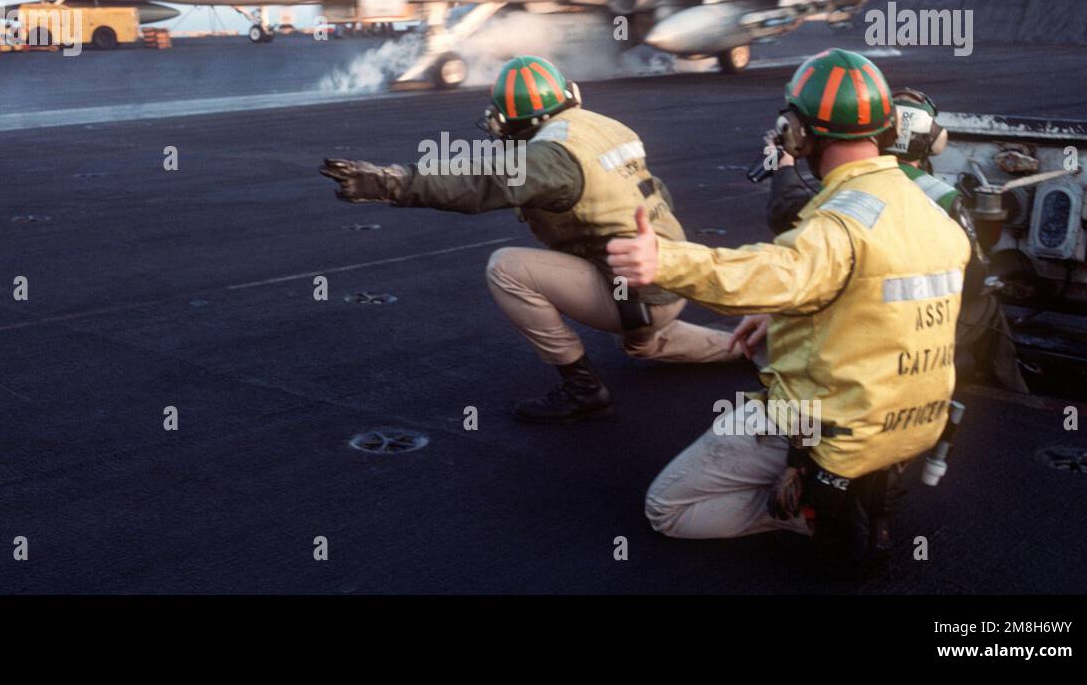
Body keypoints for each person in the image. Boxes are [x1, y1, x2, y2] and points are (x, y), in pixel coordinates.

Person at [607, 49, 971, 578]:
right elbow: (870, 301)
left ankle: (814, 512)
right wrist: (783, 319)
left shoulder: (839, 223)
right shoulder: (934, 210)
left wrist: (660, 260)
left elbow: (770, 271)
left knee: (668, 508)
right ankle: (861, 487)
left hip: (828, 426)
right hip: (914, 421)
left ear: (796, 133)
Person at [320, 55, 742, 423]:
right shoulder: (604, 126)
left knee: (507, 268)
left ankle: (583, 390)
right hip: (672, 271)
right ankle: (744, 345)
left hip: (637, 290)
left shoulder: (549, 157)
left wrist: (392, 183)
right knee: (642, 345)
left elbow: (479, 183)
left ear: (514, 121)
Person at [762, 87, 1026, 393]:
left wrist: (781, 166)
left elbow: (785, 212)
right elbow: (973, 278)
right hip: (913, 328)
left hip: (850, 326)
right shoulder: (944, 196)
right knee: (986, 305)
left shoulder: (842, 185)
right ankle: (1017, 397)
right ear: (932, 140)